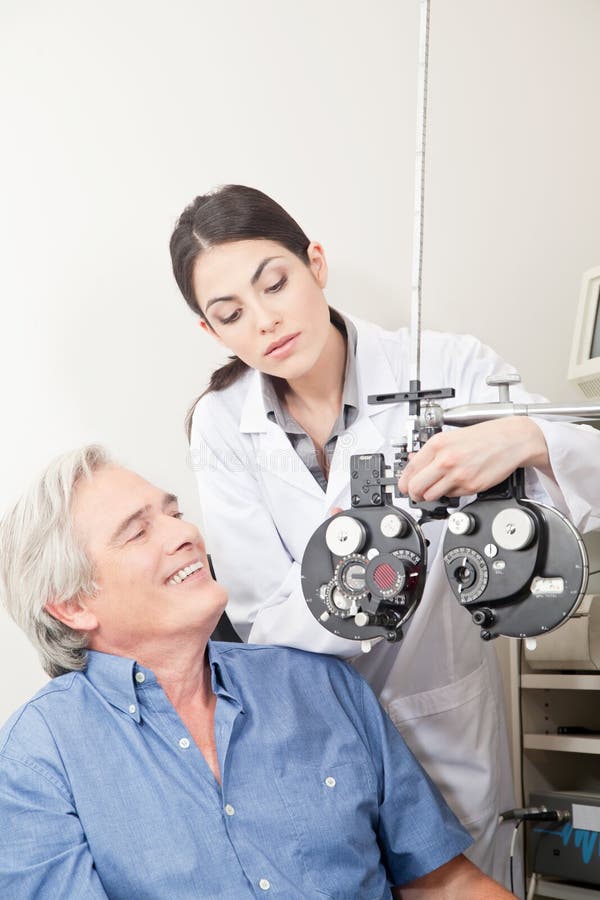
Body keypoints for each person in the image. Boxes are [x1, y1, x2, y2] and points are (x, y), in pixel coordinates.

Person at [169, 184, 600, 885]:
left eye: (275, 283)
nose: (265, 322)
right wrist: (372, 573)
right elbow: (258, 615)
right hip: (315, 733)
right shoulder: (223, 422)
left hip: (444, 716)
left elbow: (588, 488)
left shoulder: (446, 368)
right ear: (210, 332)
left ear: (316, 262)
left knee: (466, 880)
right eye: (231, 314)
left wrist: (525, 440)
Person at [0, 446, 514, 900]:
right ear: (72, 606)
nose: (185, 533)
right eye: (138, 532)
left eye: (174, 512)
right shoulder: (38, 759)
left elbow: (443, 883)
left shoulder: (320, 684)